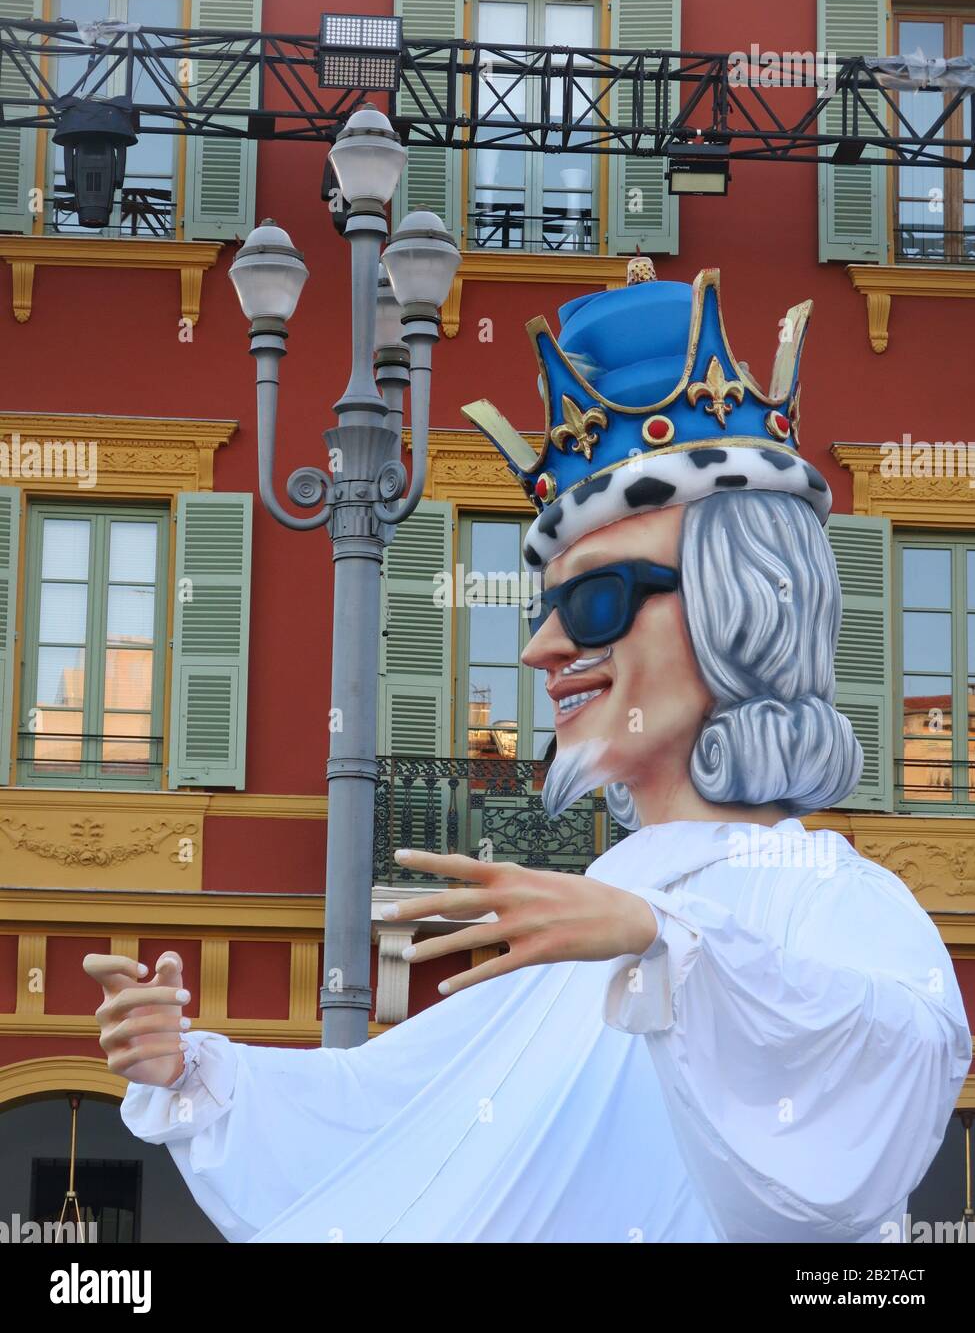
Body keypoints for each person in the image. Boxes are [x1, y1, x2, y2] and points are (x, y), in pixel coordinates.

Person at [84, 261, 972, 1243]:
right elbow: (391, 1111)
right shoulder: (593, 914)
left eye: (591, 599)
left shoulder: (817, 889)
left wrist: (670, 942)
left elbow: (902, 1056)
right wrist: (198, 1073)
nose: (543, 647)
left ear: (745, 605)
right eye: (545, 604)